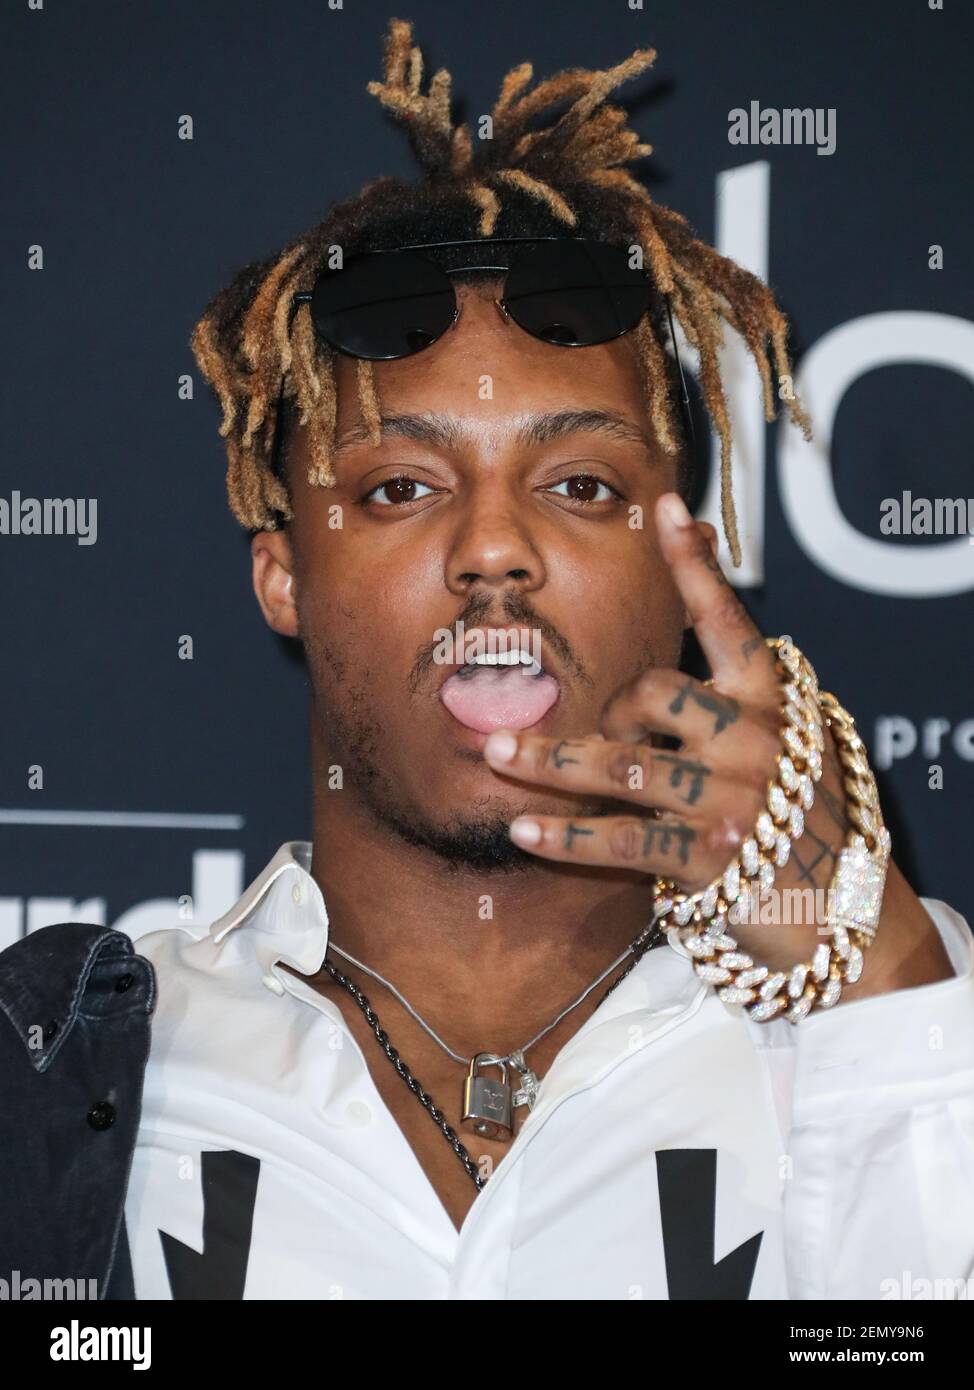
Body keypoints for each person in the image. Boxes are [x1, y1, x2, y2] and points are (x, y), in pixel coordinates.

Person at [2, 18, 972, 1302]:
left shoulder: (906, 1013)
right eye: (401, 487)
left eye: (578, 482)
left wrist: (881, 973)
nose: (495, 547)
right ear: (282, 572)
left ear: (683, 563)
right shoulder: (61, 1069)